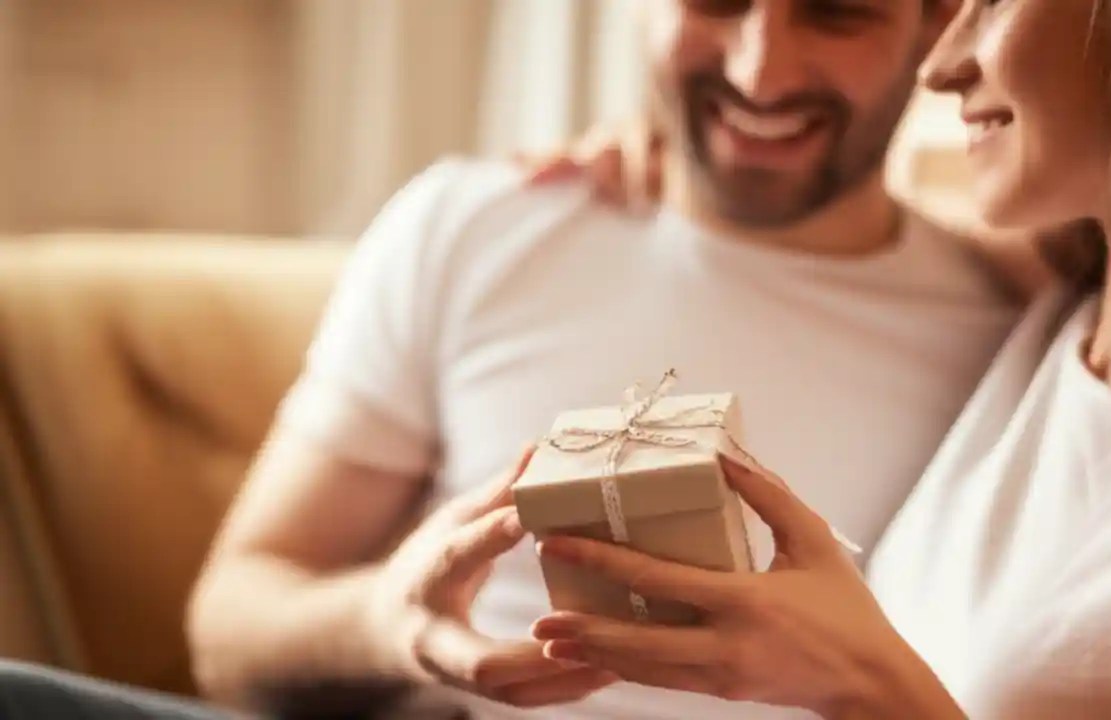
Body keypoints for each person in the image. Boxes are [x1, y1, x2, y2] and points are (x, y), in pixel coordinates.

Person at [181, 1, 1020, 719]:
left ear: (938, 21)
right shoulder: (473, 227)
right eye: (716, 0)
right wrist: (385, 622)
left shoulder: (1014, 328)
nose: (761, 71)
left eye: (837, 10)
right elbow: (229, 629)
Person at [522, 0, 1111, 718]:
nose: (940, 65)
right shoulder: (1060, 307)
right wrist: (691, 154)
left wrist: (864, 687)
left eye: (992, 4)